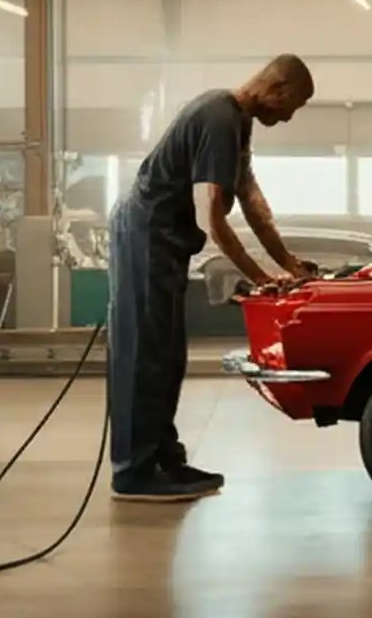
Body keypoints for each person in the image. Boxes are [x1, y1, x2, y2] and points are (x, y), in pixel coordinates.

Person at [106, 55, 316, 501]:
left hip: (164, 238)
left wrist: (289, 265)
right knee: (144, 351)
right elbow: (211, 213)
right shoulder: (218, 116)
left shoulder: (237, 122)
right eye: (291, 106)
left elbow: (251, 198)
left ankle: (164, 459)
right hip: (146, 233)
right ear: (274, 88)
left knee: (167, 353)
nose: (288, 117)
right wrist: (259, 277)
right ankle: (133, 471)